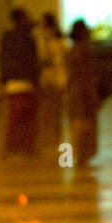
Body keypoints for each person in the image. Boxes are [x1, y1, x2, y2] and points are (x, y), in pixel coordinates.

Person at [0, 7, 39, 156]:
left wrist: (3, 81)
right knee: (27, 118)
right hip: (26, 83)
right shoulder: (28, 39)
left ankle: (11, 147)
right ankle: (27, 147)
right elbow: (32, 62)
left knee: (14, 117)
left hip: (11, 82)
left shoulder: (7, 37)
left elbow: (3, 60)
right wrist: (36, 82)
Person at [67, 19, 102, 167]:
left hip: (77, 91)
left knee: (80, 122)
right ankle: (81, 154)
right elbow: (87, 73)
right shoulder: (82, 51)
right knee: (83, 123)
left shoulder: (75, 50)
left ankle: (81, 155)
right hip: (82, 91)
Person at [36, 12, 68, 149]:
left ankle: (52, 137)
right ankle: (52, 136)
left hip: (52, 78)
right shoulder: (57, 42)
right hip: (53, 78)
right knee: (51, 110)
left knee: (51, 110)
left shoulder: (50, 42)